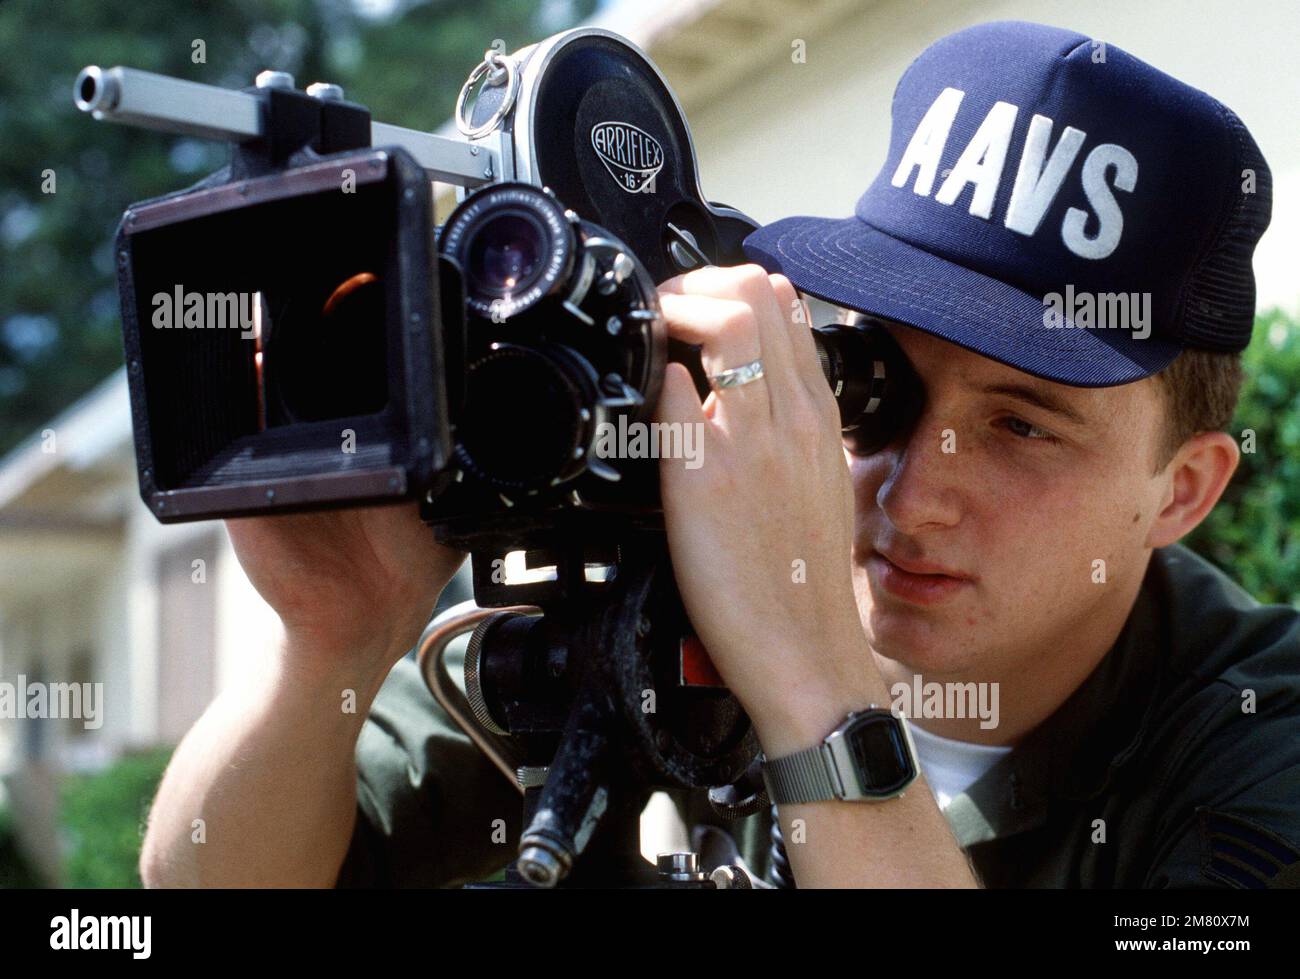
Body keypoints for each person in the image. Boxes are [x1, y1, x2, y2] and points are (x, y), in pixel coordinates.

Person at [138, 20, 1299, 889]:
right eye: (872, 384)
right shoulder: (678, 587)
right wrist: (327, 643)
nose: (914, 490)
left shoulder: (1259, 740)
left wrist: (804, 675)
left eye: (1021, 424)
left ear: (1181, 489)